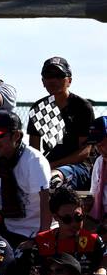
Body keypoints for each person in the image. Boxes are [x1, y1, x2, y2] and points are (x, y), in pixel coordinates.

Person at [0, 110, 51, 243]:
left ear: (16, 135)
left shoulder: (34, 160)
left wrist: (40, 240)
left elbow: (47, 202)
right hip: (7, 231)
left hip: (34, 233)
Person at [27, 56, 96, 190]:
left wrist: (52, 166)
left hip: (79, 168)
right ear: (42, 81)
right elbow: (34, 150)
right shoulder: (38, 108)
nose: (53, 80)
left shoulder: (82, 107)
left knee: (54, 179)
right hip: (49, 166)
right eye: (48, 75)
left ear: (69, 80)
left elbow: (85, 152)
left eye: (59, 76)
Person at [33, 188, 104, 275]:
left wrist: (102, 270)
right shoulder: (42, 241)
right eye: (67, 219)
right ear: (55, 217)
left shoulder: (93, 241)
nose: (74, 223)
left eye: (78, 217)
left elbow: (104, 261)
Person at [88, 117, 107, 228]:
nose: (98, 148)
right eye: (95, 144)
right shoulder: (100, 162)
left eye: (102, 143)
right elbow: (94, 193)